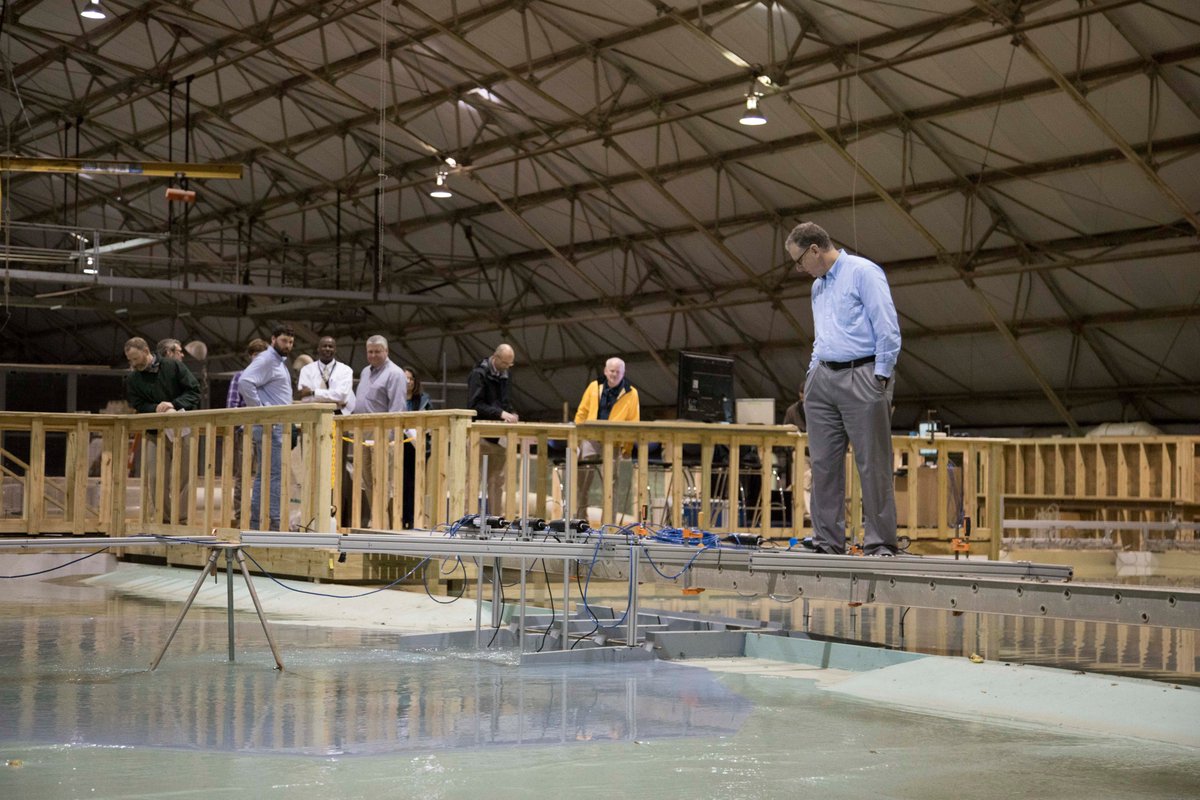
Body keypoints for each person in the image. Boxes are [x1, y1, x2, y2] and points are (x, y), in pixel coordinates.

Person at [785, 221, 901, 556]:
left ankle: (879, 543)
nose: (799, 268)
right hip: (823, 380)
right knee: (823, 463)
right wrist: (812, 375)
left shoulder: (864, 273)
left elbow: (887, 328)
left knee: (872, 464)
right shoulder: (817, 287)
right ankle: (827, 541)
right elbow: (822, 335)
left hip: (862, 374)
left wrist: (880, 376)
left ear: (814, 251)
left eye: (799, 260)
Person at [123, 336, 200, 524]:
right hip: (154, 431)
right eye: (130, 360)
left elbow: (194, 391)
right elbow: (138, 404)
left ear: (146, 351)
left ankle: (182, 520)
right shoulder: (133, 378)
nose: (133, 363)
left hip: (182, 427)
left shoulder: (172, 366)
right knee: (156, 477)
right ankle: (163, 520)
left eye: (135, 358)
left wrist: (173, 404)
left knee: (185, 476)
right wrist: (155, 408)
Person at [238, 324, 295, 530]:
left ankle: (260, 523)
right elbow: (245, 382)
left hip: (276, 424)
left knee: (267, 474)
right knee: (274, 475)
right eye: (283, 341)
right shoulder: (267, 359)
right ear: (273, 340)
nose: (287, 345)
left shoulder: (278, 362)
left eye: (290, 342)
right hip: (271, 424)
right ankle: (273, 524)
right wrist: (261, 410)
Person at [349, 335, 408, 527]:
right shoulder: (366, 371)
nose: (373, 355)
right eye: (370, 352)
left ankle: (384, 520)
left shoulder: (395, 373)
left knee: (384, 478)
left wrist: (389, 439)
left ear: (386, 352)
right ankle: (376, 516)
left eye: (377, 351)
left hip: (383, 434)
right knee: (366, 479)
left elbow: (397, 408)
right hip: (363, 432)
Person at [572, 357, 640, 520]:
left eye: (618, 372)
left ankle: (608, 522)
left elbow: (633, 421)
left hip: (613, 441)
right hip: (590, 438)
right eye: (611, 371)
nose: (614, 374)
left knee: (611, 484)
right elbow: (582, 413)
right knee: (582, 481)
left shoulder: (631, 393)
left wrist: (627, 448)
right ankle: (580, 519)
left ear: (623, 373)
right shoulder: (594, 387)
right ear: (605, 371)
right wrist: (578, 438)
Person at [467, 344, 518, 515]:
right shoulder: (478, 374)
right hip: (479, 436)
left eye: (510, 364)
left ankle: (497, 520)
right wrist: (500, 413)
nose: (507, 367)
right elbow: (475, 405)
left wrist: (512, 413)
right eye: (505, 363)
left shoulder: (505, 375)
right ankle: (469, 518)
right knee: (474, 479)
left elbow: (505, 401)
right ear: (495, 358)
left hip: (499, 437)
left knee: (497, 481)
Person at [226, 338, 268, 524]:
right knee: (243, 476)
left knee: (267, 474)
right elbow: (232, 407)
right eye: (256, 356)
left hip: (268, 431)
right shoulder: (240, 377)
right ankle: (241, 516)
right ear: (251, 357)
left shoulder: (272, 379)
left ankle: (261, 515)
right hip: (247, 431)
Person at [400, 366, 432, 528]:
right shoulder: (396, 397)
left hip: (417, 447)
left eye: (411, 378)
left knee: (415, 484)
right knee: (400, 483)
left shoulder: (423, 399)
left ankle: (413, 518)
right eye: (405, 378)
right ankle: (400, 517)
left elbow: (431, 421)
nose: (408, 382)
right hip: (399, 445)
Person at [296, 336, 356, 414]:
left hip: (338, 414)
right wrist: (334, 398)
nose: (327, 349)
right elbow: (305, 398)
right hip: (313, 414)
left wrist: (313, 393)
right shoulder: (306, 370)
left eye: (330, 346)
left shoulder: (345, 370)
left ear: (335, 350)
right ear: (318, 349)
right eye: (324, 346)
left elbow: (342, 396)